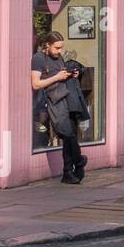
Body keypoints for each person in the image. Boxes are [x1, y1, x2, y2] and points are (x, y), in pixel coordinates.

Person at [31, 31, 88, 184]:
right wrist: (58, 77)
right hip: (53, 101)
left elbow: (60, 74)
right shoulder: (38, 59)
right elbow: (36, 84)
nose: (59, 51)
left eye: (61, 48)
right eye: (57, 48)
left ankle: (67, 172)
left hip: (67, 97)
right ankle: (79, 160)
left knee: (70, 135)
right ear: (47, 45)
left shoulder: (58, 57)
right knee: (66, 134)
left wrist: (71, 74)